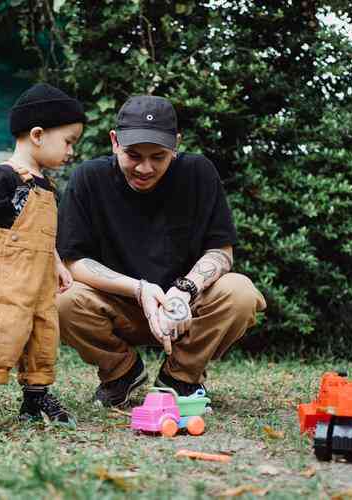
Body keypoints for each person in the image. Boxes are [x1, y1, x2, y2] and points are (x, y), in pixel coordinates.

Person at [56, 95, 266, 408]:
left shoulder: (199, 173)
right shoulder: (89, 178)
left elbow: (221, 251)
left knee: (241, 293)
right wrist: (140, 289)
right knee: (61, 300)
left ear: (176, 145)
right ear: (115, 142)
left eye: (158, 156)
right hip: (118, 305)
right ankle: (121, 373)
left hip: (185, 309)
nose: (145, 167)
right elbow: (73, 262)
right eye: (133, 155)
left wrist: (184, 290)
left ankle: (180, 377)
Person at [0, 83, 85, 427]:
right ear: (39, 135)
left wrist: (57, 264)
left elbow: (43, 235)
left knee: (45, 334)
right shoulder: (4, 177)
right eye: (69, 141)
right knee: (10, 330)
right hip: (9, 281)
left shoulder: (46, 186)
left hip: (40, 283)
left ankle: (35, 399)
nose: (71, 150)